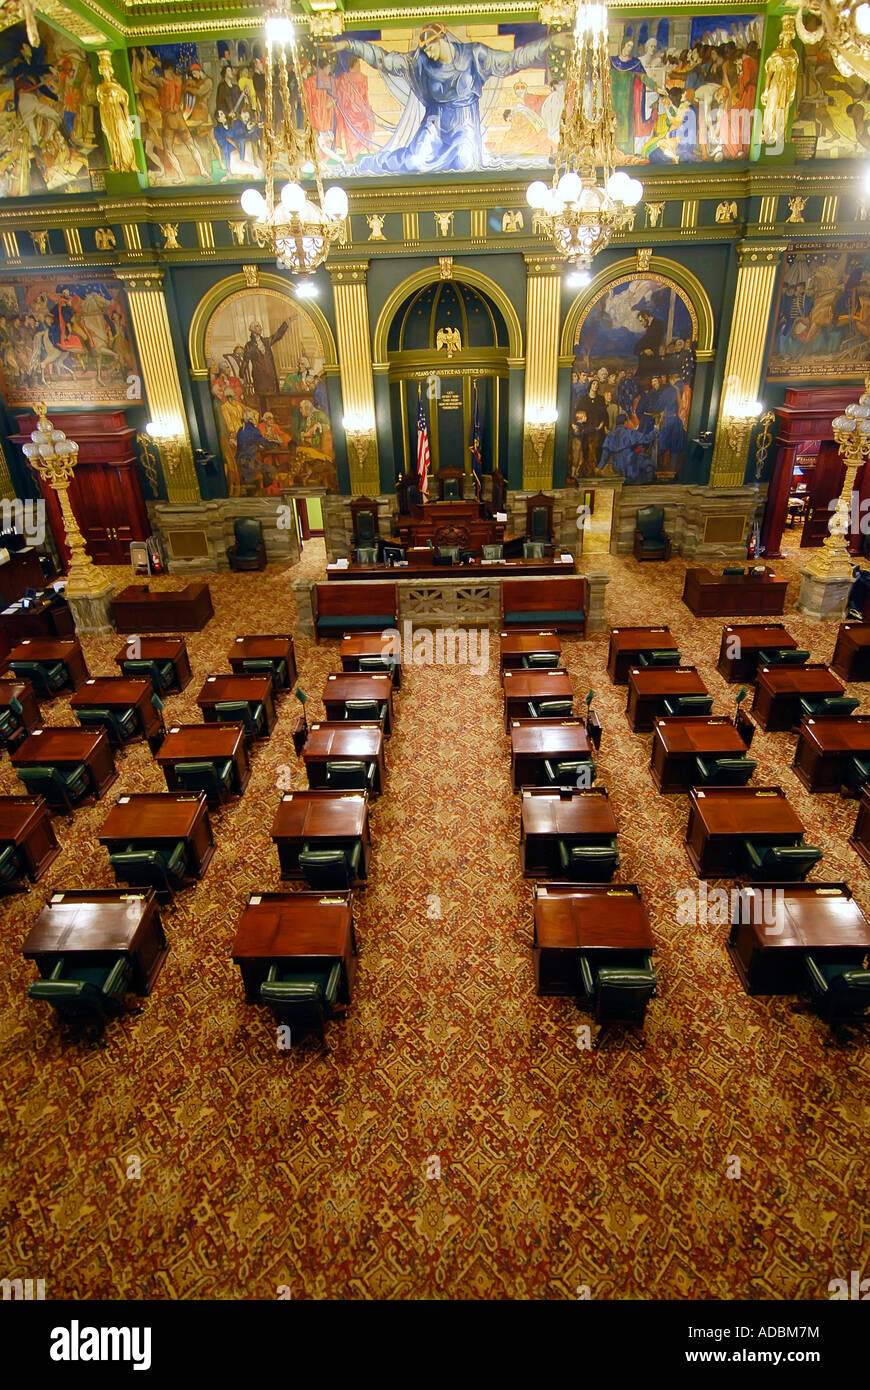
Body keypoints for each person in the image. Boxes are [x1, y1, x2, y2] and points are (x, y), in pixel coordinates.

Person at [329, 23, 561, 174]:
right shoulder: (419, 62)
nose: (428, 53)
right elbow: (384, 60)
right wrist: (350, 45)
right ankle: (378, 162)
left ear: (442, 39)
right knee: (413, 164)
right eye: (425, 49)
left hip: (464, 125)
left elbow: (513, 60)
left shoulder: (475, 55)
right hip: (434, 124)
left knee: (464, 163)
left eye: (431, 47)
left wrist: (548, 44)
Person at [242, 319, 289, 397]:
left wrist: (286, 324)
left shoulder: (266, 341)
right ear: (252, 329)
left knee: (274, 399)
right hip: (260, 378)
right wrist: (241, 374)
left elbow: (277, 335)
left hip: (271, 376)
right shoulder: (249, 346)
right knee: (263, 400)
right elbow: (245, 361)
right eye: (257, 326)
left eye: (260, 326)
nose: (260, 328)